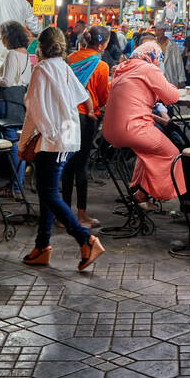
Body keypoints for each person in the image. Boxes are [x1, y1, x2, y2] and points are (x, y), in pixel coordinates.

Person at [18, 26, 105, 271]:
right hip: (69, 135)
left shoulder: (40, 70)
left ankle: (86, 240)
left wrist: (23, 142)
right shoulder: (65, 69)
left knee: (48, 194)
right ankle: (42, 247)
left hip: (52, 137)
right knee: (48, 191)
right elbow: (82, 96)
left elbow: (33, 112)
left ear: (41, 48)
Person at [102, 37, 185, 210]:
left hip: (110, 130)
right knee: (172, 152)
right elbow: (171, 97)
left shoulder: (123, 68)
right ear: (155, 56)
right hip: (133, 129)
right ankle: (153, 193)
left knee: (146, 152)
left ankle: (139, 194)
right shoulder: (148, 69)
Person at [62, 26, 110, 229]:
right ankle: (81, 215)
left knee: (65, 163)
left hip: (66, 115)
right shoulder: (101, 66)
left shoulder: (71, 58)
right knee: (80, 166)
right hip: (86, 118)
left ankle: (63, 214)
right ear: (102, 44)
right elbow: (102, 97)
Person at [0, 21, 34, 199]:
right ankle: (15, 184)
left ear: (8, 36)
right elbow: (23, 78)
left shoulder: (13, 54)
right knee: (17, 141)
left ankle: (16, 186)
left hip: (8, 101)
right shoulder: (26, 55)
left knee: (13, 142)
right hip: (20, 99)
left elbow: (6, 82)